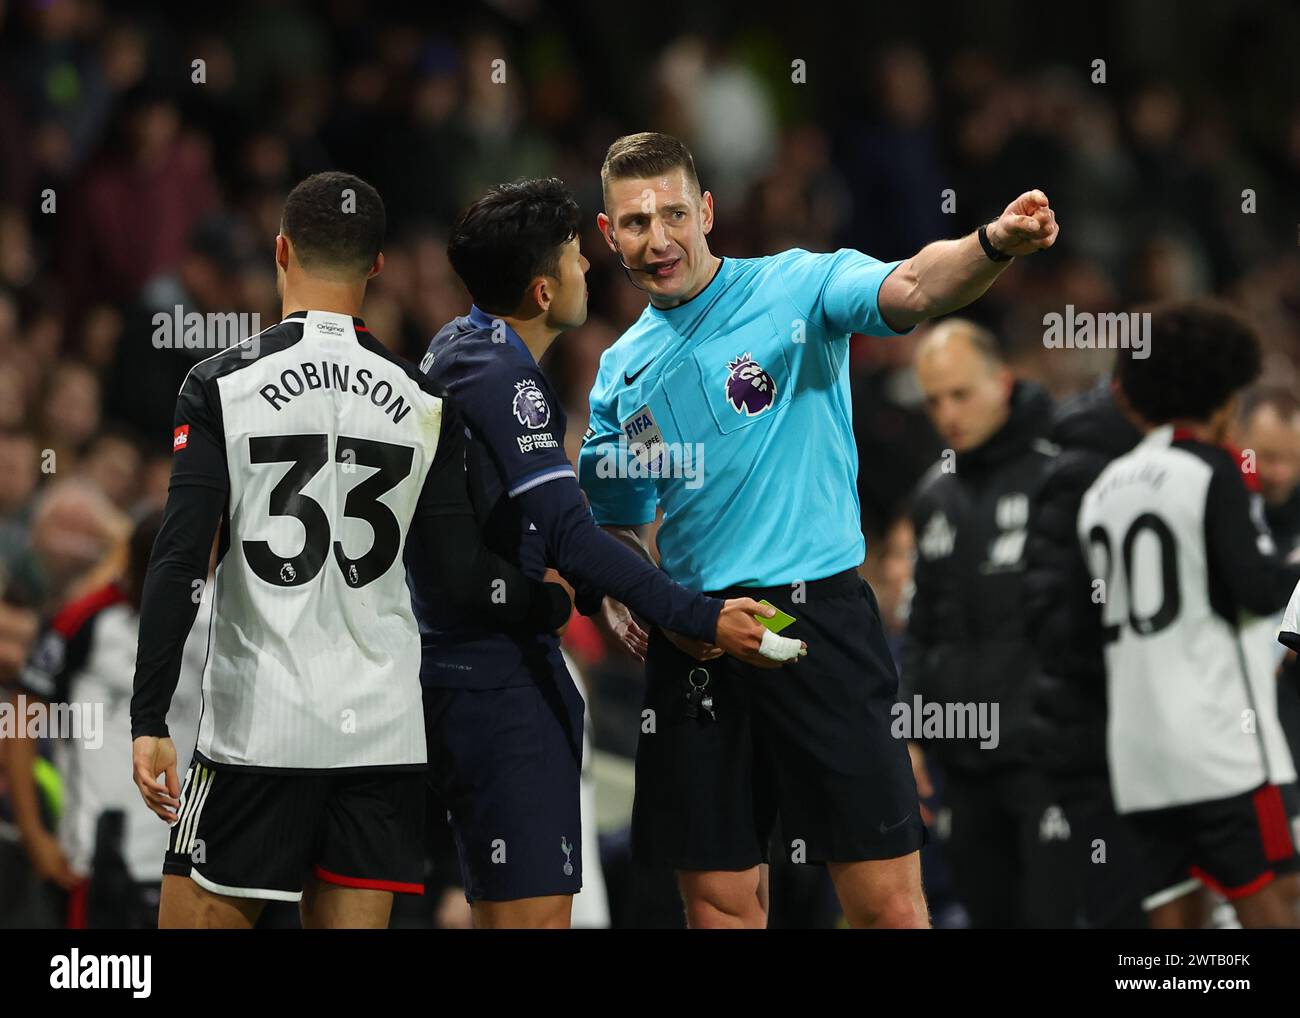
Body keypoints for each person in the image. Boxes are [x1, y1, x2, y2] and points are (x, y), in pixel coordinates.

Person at [579, 131, 1058, 928]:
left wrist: (991, 244)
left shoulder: (799, 284)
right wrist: (641, 601)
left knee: (887, 905)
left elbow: (911, 287)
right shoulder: (618, 377)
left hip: (820, 622)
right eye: (634, 223)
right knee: (721, 906)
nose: (657, 239)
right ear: (608, 235)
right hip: (700, 637)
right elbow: (621, 532)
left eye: (671, 214)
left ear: (705, 210)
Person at [129, 171, 569, 929]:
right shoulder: (427, 400)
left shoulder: (220, 383)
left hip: (255, 733)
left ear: (280, 251)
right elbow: (461, 578)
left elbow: (178, 563)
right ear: (376, 268)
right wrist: (551, 598)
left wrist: (147, 717)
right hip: (382, 738)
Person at [413, 178, 800, 929]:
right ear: (539, 287)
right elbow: (567, 532)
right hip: (500, 687)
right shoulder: (506, 378)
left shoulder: (457, 346)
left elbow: (511, 519)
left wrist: (593, 595)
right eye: (573, 258)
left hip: (463, 674)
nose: (588, 268)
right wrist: (698, 614)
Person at [1079, 299, 1300, 928]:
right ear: (1223, 394)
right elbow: (1257, 591)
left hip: (1139, 755)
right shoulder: (1213, 470)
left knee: (1175, 934)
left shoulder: (1103, 490)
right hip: (1218, 742)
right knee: (1277, 908)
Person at [902, 320, 1069, 927]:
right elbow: (920, 629)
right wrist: (913, 731)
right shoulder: (933, 496)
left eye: (960, 394)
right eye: (933, 400)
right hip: (962, 766)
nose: (947, 414)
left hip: (1047, 762)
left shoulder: (1062, 476)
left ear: (1002, 382)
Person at [7, 510, 209, 927]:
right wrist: (34, 835)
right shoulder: (86, 620)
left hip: (190, 865)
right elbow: (20, 720)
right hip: (96, 864)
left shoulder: (216, 622)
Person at [1022, 376, 1149, 928]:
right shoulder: (1084, 474)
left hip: (1145, 733)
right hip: (1098, 732)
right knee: (1121, 908)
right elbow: (1056, 620)